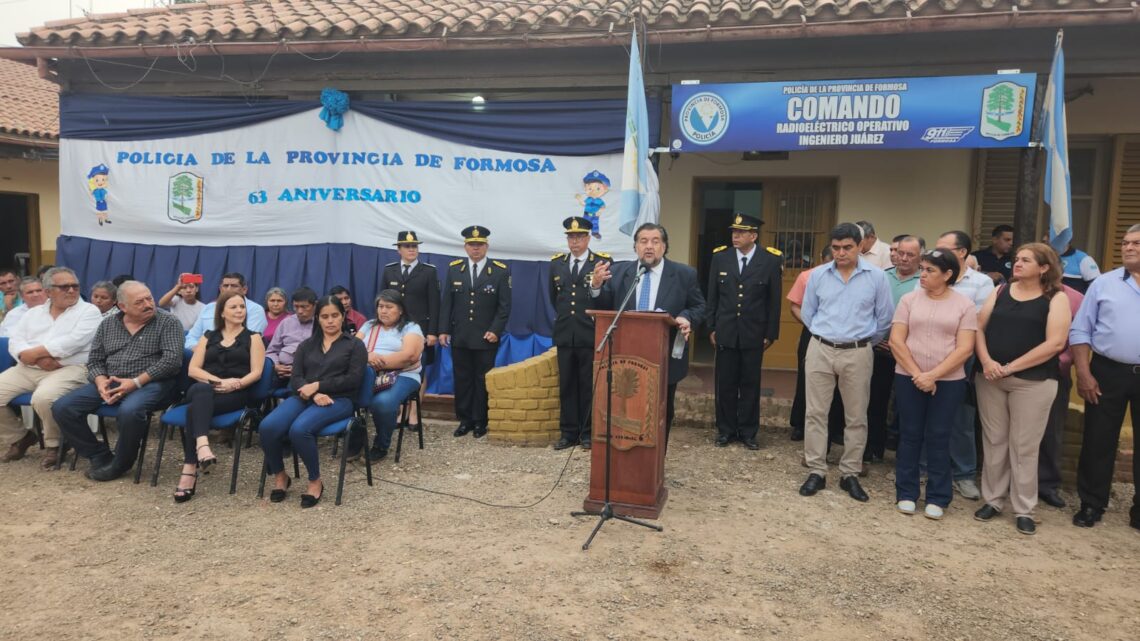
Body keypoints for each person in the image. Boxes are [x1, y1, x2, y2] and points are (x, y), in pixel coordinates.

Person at [972, 243, 1070, 536]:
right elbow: (978, 327)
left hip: (1034, 382)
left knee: (1024, 446)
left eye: (1025, 260)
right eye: (1016, 259)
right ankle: (992, 500)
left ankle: (1024, 508)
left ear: (1044, 267)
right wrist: (987, 361)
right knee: (994, 441)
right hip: (990, 377)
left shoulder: (1056, 298)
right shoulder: (1000, 291)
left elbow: (1054, 343)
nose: (1017, 263)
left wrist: (1011, 367)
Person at [798, 222, 893, 502]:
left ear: (860, 246)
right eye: (836, 248)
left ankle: (850, 472)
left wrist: (862, 343)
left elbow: (884, 318)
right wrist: (825, 335)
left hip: (858, 351)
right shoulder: (817, 275)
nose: (841, 253)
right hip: (821, 348)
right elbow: (808, 313)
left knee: (856, 415)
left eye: (847, 247)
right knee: (815, 412)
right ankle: (816, 469)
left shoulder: (876, 277)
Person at [53, 281, 183, 481]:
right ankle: (99, 455)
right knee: (63, 407)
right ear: (122, 307)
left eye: (149, 298)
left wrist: (135, 383)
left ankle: (121, 463)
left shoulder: (168, 322)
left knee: (130, 411)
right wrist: (100, 382)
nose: (148, 304)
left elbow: (172, 362)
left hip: (153, 383)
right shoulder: (108, 324)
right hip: (111, 382)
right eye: (139, 302)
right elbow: (95, 360)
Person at [590, 223, 705, 444]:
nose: (649, 247)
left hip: (664, 356)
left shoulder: (684, 274)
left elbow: (700, 306)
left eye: (655, 241)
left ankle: (655, 467)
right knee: (625, 409)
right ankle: (625, 461)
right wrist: (596, 286)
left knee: (661, 413)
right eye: (643, 241)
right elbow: (605, 307)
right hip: (624, 355)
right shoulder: (619, 272)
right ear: (635, 247)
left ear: (664, 247)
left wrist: (686, 316)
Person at [889, 250, 977, 520]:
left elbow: (965, 348)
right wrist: (918, 374)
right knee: (910, 434)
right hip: (908, 377)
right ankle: (906, 493)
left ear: (948, 275)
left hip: (948, 381)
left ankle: (938, 496)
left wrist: (933, 375)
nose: (923, 275)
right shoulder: (909, 300)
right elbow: (896, 340)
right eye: (923, 269)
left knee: (939, 436)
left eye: (930, 271)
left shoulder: (964, 305)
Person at [259, 296, 366, 508]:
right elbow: (296, 377)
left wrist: (318, 386)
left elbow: (353, 379)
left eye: (335, 315)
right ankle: (281, 476)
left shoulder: (354, 345)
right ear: (318, 318)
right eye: (324, 316)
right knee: (267, 427)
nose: (330, 321)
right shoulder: (307, 345)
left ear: (343, 316)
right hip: (306, 396)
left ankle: (315, 480)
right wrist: (313, 393)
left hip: (341, 400)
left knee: (300, 430)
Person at [1069, 224, 1140, 530]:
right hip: (1108, 370)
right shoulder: (1104, 283)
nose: (1128, 247)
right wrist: (1083, 373)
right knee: (1098, 440)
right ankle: (1091, 504)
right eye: (1125, 242)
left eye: (1136, 243)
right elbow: (1081, 330)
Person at [0, 268, 102, 468]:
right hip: (28, 368)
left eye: (75, 286)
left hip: (69, 368)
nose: (72, 290)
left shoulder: (89, 311)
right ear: (48, 291)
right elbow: (16, 341)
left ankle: (55, 445)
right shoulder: (33, 313)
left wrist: (35, 353)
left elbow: (73, 342)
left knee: (44, 398)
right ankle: (20, 437)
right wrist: (30, 357)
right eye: (64, 287)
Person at [174, 290, 265, 502]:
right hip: (208, 389)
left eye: (242, 306)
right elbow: (193, 370)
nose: (239, 310)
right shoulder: (208, 336)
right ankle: (203, 445)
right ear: (222, 312)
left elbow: (257, 372)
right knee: (201, 389)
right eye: (233, 307)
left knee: (193, 407)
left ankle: (190, 467)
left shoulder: (253, 338)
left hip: (236, 393)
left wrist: (235, 384)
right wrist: (219, 382)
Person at [706, 213, 782, 449]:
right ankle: (726, 430)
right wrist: (711, 326)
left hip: (753, 333)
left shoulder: (769, 260)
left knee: (750, 383)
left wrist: (770, 333)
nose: (735, 236)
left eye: (741, 233)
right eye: (733, 232)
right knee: (725, 383)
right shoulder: (721, 258)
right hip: (726, 331)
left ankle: (748, 431)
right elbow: (713, 296)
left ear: (754, 235)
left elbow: (774, 301)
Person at [935, 230, 996, 501]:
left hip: (963, 357)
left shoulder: (981, 283)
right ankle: (929, 468)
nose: (937, 254)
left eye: (944, 248)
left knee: (961, 417)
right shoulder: (927, 277)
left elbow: (978, 321)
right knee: (926, 415)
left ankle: (964, 474)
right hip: (928, 355)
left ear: (962, 252)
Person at [440, 225, 511, 439]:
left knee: (482, 379)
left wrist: (495, 330)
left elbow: (504, 306)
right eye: (472, 245)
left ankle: (481, 420)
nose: (476, 249)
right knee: (462, 378)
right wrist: (443, 330)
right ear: (465, 247)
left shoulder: (499, 270)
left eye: (479, 245)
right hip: (460, 335)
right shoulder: (455, 269)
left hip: (485, 337)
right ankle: (465, 420)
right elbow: (447, 303)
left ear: (487, 246)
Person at [548, 217, 609, 450]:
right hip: (565, 334)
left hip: (589, 333)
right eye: (571, 237)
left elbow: (605, 298)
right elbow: (554, 298)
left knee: (587, 385)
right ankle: (568, 432)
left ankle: (587, 433)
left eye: (580, 237)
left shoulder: (601, 262)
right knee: (567, 385)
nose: (575, 242)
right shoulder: (557, 264)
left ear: (588, 238)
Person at [867, 235, 924, 461]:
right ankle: (873, 449)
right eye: (900, 253)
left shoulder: (925, 280)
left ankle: (905, 454)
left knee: (907, 406)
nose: (904, 258)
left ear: (921, 257)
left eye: (910, 255)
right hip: (880, 349)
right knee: (875, 401)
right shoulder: (881, 276)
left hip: (910, 355)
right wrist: (876, 336)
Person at [356, 290, 424, 461]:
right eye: (380, 306)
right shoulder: (369, 325)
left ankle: (381, 444)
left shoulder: (411, 327)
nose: (383, 311)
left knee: (383, 403)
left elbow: (409, 357)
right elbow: (353, 350)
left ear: (400, 309)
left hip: (404, 375)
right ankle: (354, 442)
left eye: (389, 307)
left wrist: (373, 360)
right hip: (367, 373)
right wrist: (368, 357)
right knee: (346, 396)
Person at [381, 231, 440, 420]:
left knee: (418, 369)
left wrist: (432, 332)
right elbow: (383, 301)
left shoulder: (429, 271)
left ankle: (414, 411)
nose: (411, 249)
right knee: (397, 368)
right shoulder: (389, 270)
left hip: (420, 330)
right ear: (399, 249)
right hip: (395, 329)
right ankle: (399, 410)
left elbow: (435, 304)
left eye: (414, 246)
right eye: (407, 246)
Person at [1037, 284, 1083, 509]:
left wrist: (1062, 362)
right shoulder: (1010, 291)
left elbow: (1079, 336)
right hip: (1015, 371)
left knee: (1051, 430)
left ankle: (1046, 484)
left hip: (1055, 371)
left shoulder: (1074, 298)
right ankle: (1011, 481)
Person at [787, 245, 838, 444]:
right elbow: (794, 305)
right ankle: (799, 424)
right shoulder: (808, 276)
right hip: (812, 331)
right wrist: (813, 325)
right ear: (821, 258)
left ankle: (833, 428)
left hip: (839, 335)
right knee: (806, 378)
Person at [183, 273, 268, 349]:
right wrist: (199, 350)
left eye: (234, 286)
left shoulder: (255, 310)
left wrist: (209, 351)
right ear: (220, 288)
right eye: (225, 286)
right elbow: (191, 337)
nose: (229, 289)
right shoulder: (209, 308)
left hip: (236, 356)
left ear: (244, 289)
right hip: (202, 352)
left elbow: (247, 341)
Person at [265, 287, 318, 387]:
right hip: (282, 371)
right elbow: (271, 351)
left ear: (315, 305)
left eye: (304, 307)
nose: (300, 311)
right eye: (296, 307)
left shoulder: (321, 324)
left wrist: (298, 369)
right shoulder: (286, 322)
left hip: (308, 373)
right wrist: (276, 365)